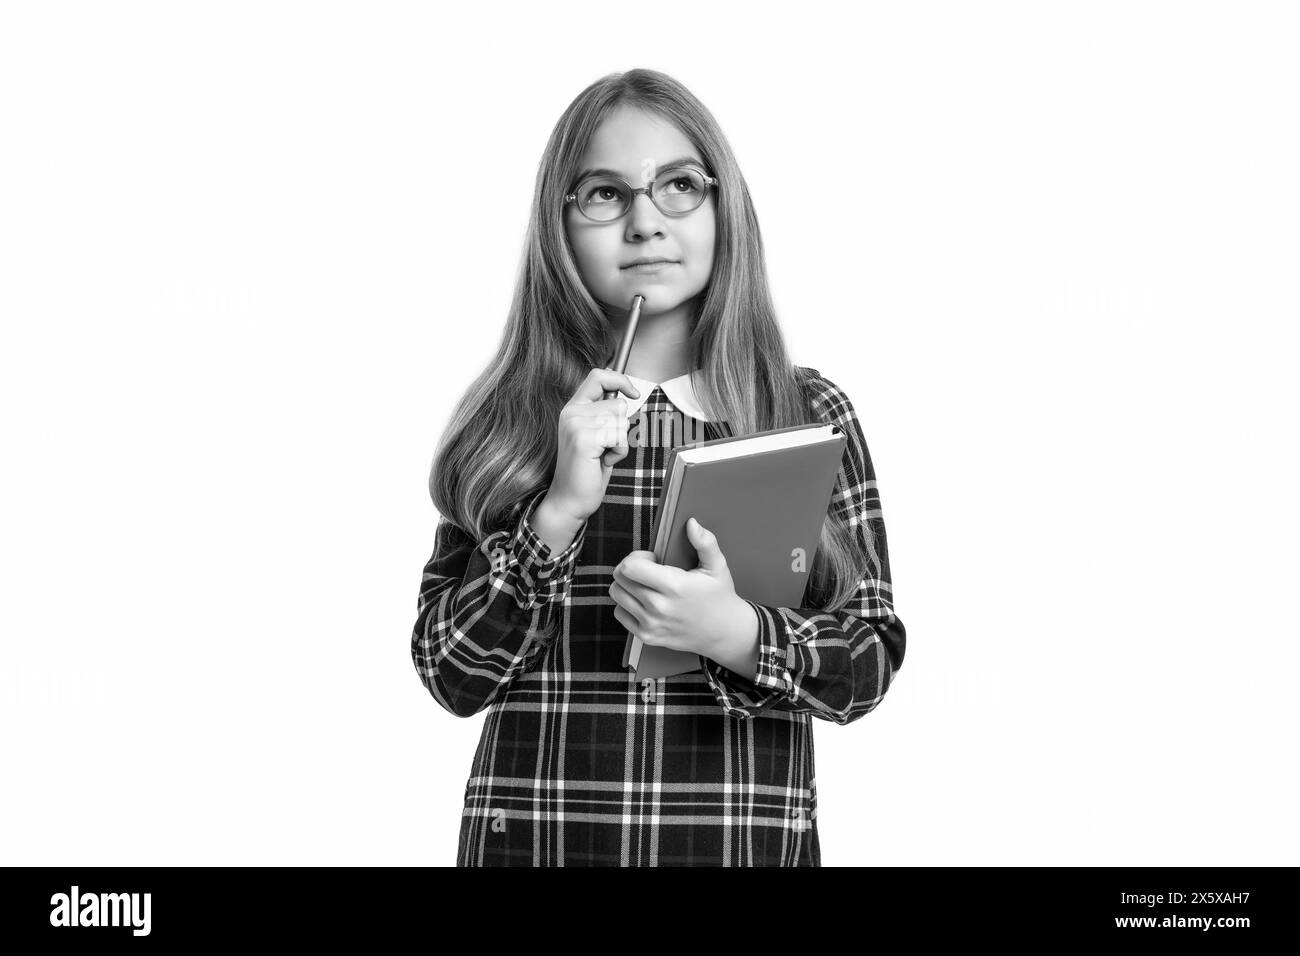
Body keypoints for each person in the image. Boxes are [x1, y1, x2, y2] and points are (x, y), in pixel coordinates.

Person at [411, 68, 906, 866]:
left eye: (678, 185)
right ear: (559, 227)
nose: (645, 223)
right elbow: (451, 675)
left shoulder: (802, 410)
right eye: (606, 194)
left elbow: (870, 659)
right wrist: (556, 516)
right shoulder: (519, 415)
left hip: (737, 846)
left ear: (723, 208)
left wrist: (735, 633)